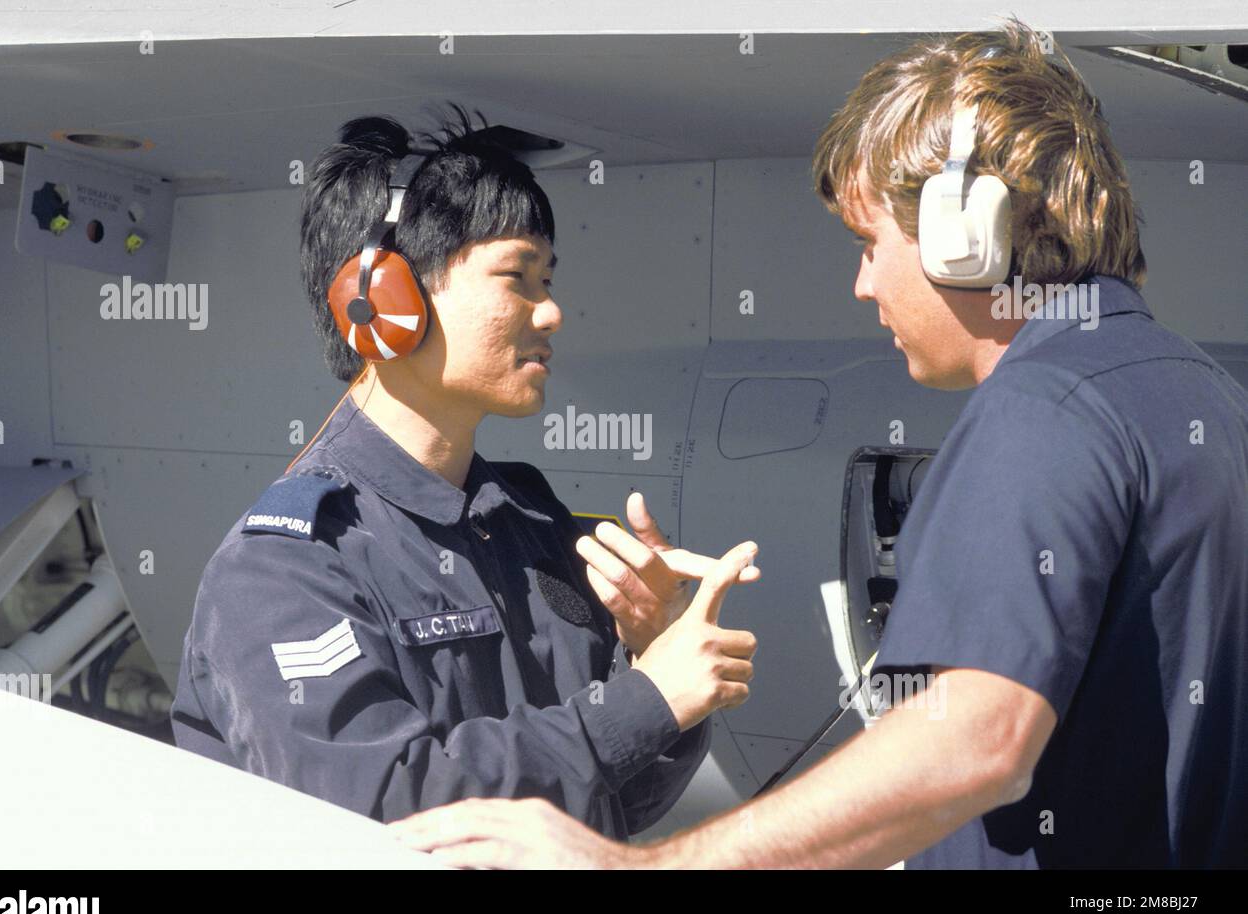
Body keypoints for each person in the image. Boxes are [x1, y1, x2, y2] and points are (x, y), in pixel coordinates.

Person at [390, 24, 1248, 868]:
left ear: (966, 234)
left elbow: (980, 736)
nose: (863, 284)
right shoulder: (1203, 394)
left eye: (871, 245)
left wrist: (651, 868)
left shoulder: (1039, 410)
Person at [169, 108, 761, 839]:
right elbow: (380, 814)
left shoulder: (533, 526)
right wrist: (646, 699)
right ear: (385, 300)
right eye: (518, 277)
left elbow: (616, 806)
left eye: (548, 281)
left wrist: (652, 646)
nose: (551, 314)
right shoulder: (281, 571)